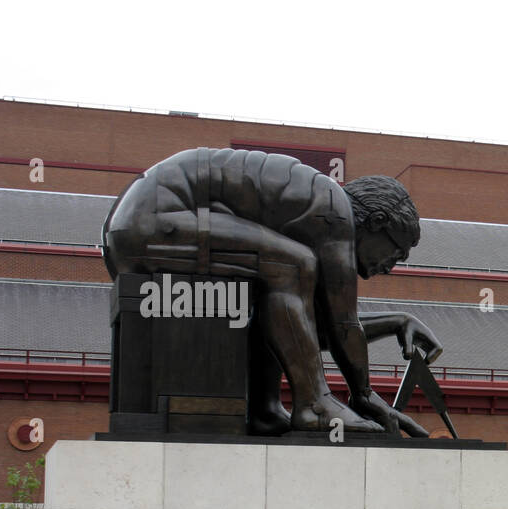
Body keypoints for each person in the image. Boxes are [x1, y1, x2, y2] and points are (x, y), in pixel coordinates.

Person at [102, 147, 433, 436]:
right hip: (153, 223)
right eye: (397, 252)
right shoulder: (335, 212)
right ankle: (316, 406)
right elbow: (342, 324)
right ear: (376, 222)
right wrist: (363, 394)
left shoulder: (317, 207)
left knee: (277, 281)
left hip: (137, 229)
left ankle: (265, 411)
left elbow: (304, 330)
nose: (391, 266)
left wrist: (395, 322)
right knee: (292, 265)